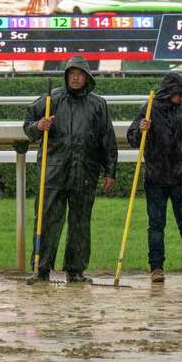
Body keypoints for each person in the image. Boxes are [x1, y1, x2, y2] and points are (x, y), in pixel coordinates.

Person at [23, 55, 117, 284]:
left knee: (80, 223)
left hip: (85, 172)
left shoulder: (98, 104)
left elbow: (107, 139)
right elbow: (28, 125)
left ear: (87, 77)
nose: (75, 78)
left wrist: (110, 171)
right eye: (71, 74)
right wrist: (39, 126)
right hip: (53, 172)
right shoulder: (51, 99)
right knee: (47, 220)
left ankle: (75, 270)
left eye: (80, 74)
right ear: (66, 76)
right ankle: (41, 268)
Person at [127, 71, 182, 283]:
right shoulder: (149, 108)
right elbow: (132, 138)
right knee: (156, 225)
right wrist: (140, 129)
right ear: (169, 91)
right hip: (156, 177)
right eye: (180, 94)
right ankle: (156, 268)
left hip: (181, 175)